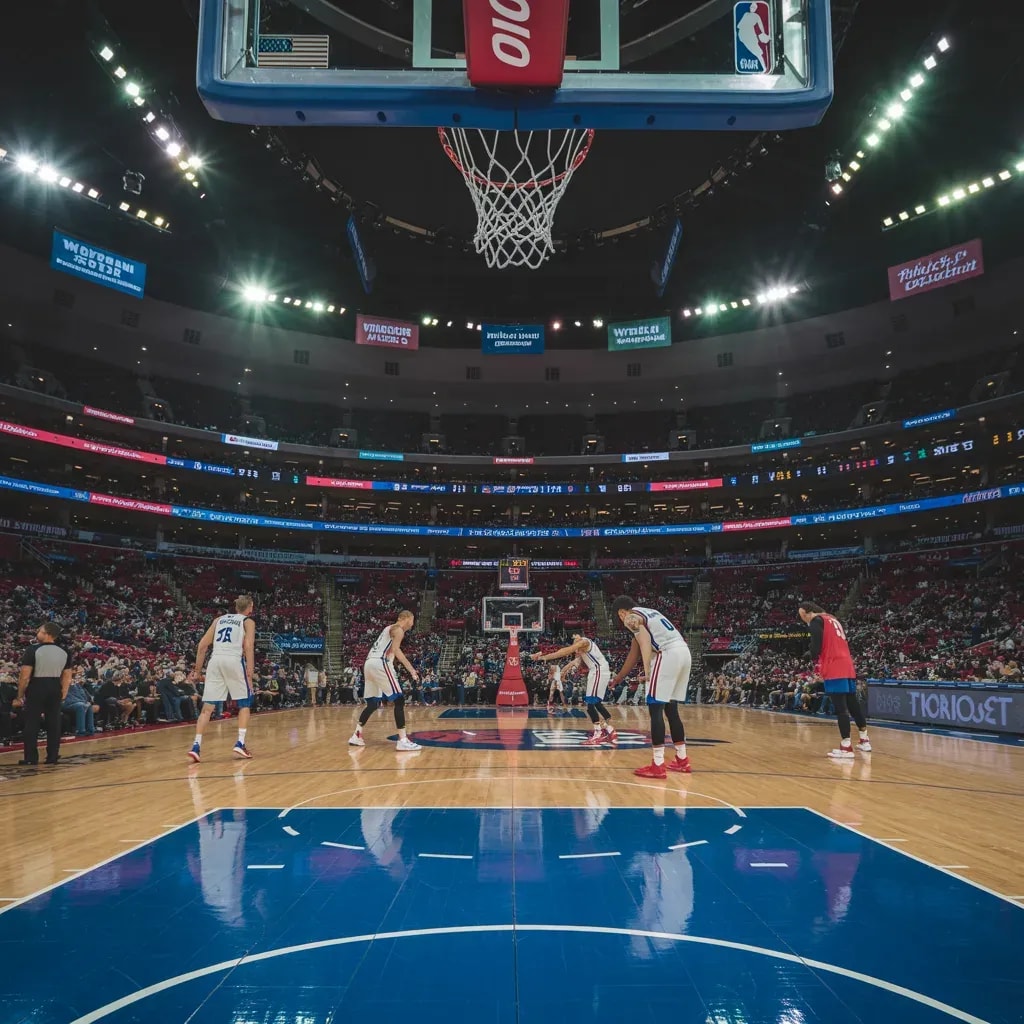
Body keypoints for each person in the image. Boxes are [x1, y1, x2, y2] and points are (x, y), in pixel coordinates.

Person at [609, 597, 692, 778]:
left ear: (621, 612)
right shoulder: (651, 613)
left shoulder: (631, 617)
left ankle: (658, 764)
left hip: (667, 654)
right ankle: (682, 760)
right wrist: (619, 678)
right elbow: (634, 653)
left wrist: (647, 672)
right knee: (671, 710)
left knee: (655, 708)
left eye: (619, 617)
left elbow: (645, 644)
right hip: (684, 653)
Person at [798, 601, 871, 759]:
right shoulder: (832, 619)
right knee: (852, 703)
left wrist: (808, 654)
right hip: (847, 664)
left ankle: (846, 746)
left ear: (806, 613)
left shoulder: (816, 621)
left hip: (834, 665)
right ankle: (864, 739)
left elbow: (816, 647)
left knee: (841, 707)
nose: (802, 618)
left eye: (802, 615)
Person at [188, 595, 256, 763]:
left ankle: (196, 746)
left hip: (215, 661)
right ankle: (240, 742)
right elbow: (248, 646)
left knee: (207, 708)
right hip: (233, 660)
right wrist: (250, 671)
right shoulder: (248, 621)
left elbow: (202, 646)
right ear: (250, 608)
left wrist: (197, 671)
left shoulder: (219, 620)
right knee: (244, 703)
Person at [348, 611, 422, 751]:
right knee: (399, 700)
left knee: (373, 704)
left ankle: (356, 735)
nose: (413, 624)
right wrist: (411, 669)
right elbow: (396, 650)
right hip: (379, 663)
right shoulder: (398, 629)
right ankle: (403, 740)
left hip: (369, 664)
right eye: (412, 620)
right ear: (406, 618)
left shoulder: (387, 628)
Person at [532, 634, 617, 746]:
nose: (575, 646)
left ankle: (598, 733)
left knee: (590, 703)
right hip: (599, 671)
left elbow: (564, 651)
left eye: (575, 641)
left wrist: (544, 657)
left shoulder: (584, 642)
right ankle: (609, 730)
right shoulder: (584, 650)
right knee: (596, 703)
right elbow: (572, 663)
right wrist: (563, 672)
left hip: (598, 671)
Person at [14, 622, 74, 766]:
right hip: (55, 687)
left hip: (37, 686)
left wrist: (20, 695)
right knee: (54, 723)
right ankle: (52, 756)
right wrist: (63, 693)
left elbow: (25, 676)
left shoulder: (32, 650)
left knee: (32, 722)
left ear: (47, 634)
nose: (37, 632)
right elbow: (67, 676)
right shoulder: (64, 651)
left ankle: (31, 757)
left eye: (39, 630)